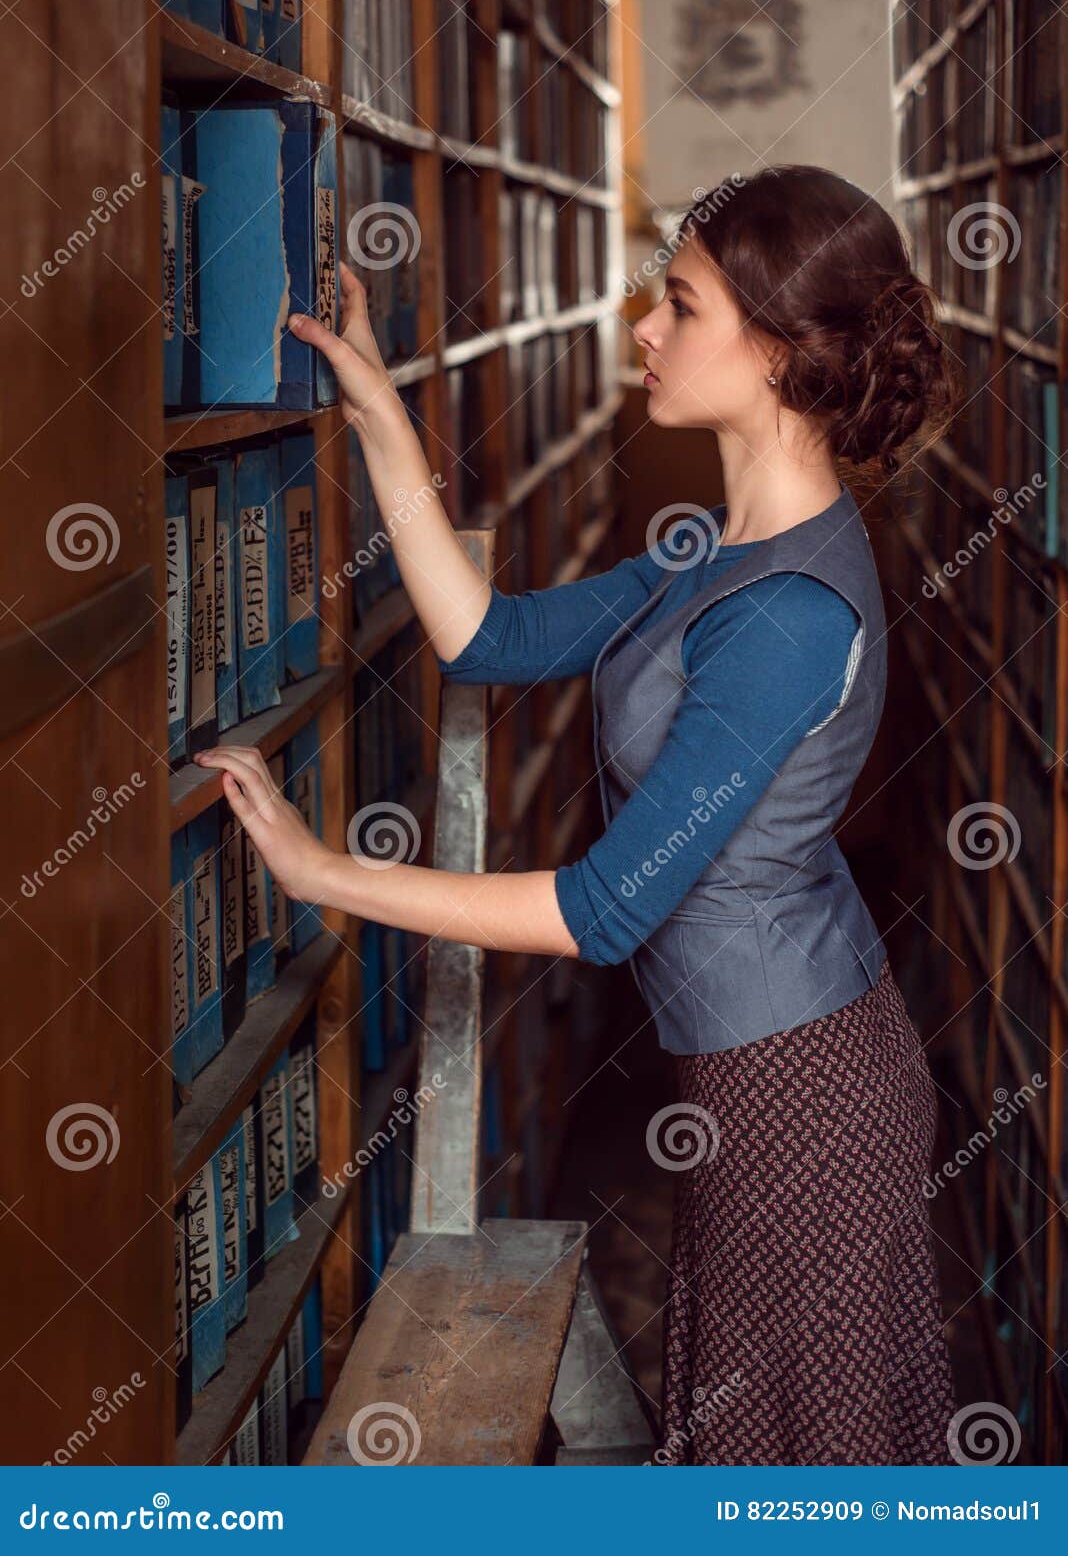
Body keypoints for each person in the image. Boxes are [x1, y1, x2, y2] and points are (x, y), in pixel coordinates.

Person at [195, 163, 961, 1465]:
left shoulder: (786, 613)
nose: (643, 330)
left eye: (680, 305)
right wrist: (380, 412)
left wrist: (322, 873)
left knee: (807, 1476)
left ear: (777, 349)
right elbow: (486, 635)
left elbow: (608, 907)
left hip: (806, 1106)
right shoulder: (718, 556)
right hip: (756, 1080)